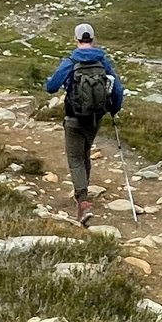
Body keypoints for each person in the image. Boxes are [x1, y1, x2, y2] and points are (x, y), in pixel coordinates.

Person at [43, 23, 124, 223]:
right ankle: (83, 193)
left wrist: (50, 81)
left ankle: (82, 201)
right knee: (85, 152)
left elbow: (52, 88)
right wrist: (113, 109)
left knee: (75, 158)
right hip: (95, 118)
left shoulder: (70, 61)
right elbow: (118, 90)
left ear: (76, 39)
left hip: (73, 117)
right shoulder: (103, 62)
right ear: (93, 39)